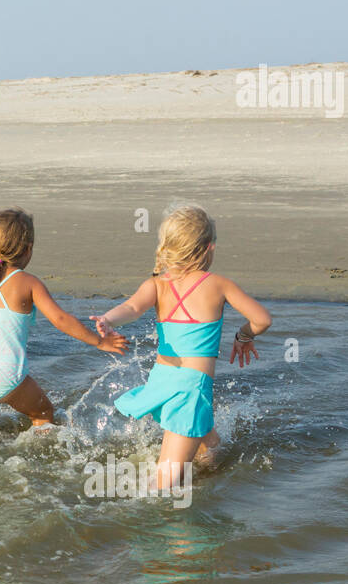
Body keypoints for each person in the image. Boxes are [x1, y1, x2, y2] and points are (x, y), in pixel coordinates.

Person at [92, 204, 272, 490]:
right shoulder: (218, 284)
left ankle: (206, 485)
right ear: (207, 249)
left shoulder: (158, 284)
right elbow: (262, 319)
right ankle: (152, 524)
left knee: (211, 446)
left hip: (162, 380)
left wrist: (107, 319)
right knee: (165, 480)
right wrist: (244, 336)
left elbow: (132, 307)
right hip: (191, 386)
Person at [0, 208, 127, 438]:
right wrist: (99, 341)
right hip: (6, 374)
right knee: (43, 414)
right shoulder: (29, 283)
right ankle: (38, 460)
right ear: (28, 249)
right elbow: (61, 319)